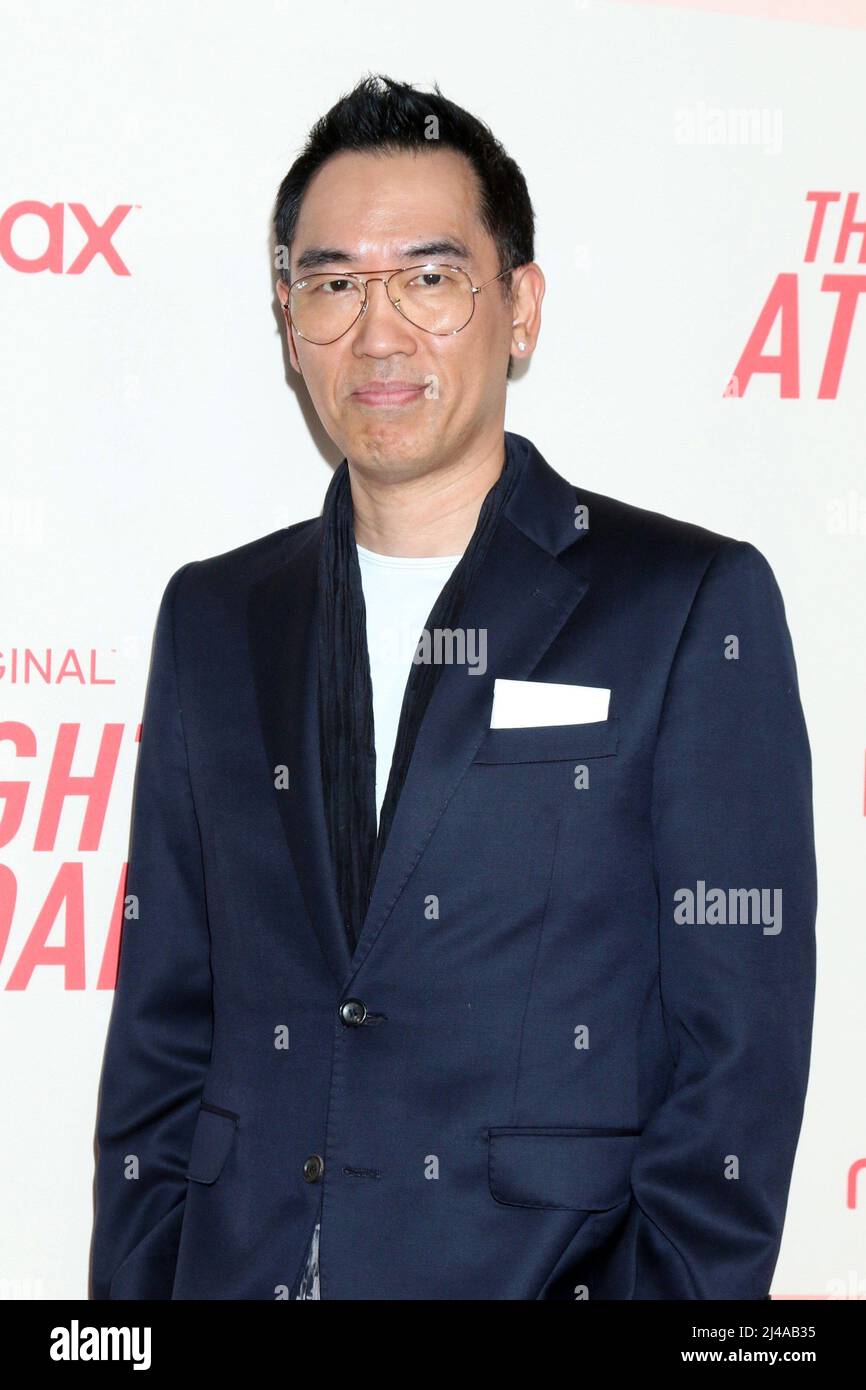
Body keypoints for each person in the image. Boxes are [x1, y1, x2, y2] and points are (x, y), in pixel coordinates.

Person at [90, 74, 816, 1301]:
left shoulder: (682, 605)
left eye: (429, 279)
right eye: (331, 285)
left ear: (517, 308)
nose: (377, 333)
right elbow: (166, 1025)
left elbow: (734, 1052)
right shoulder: (213, 618)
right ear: (287, 316)